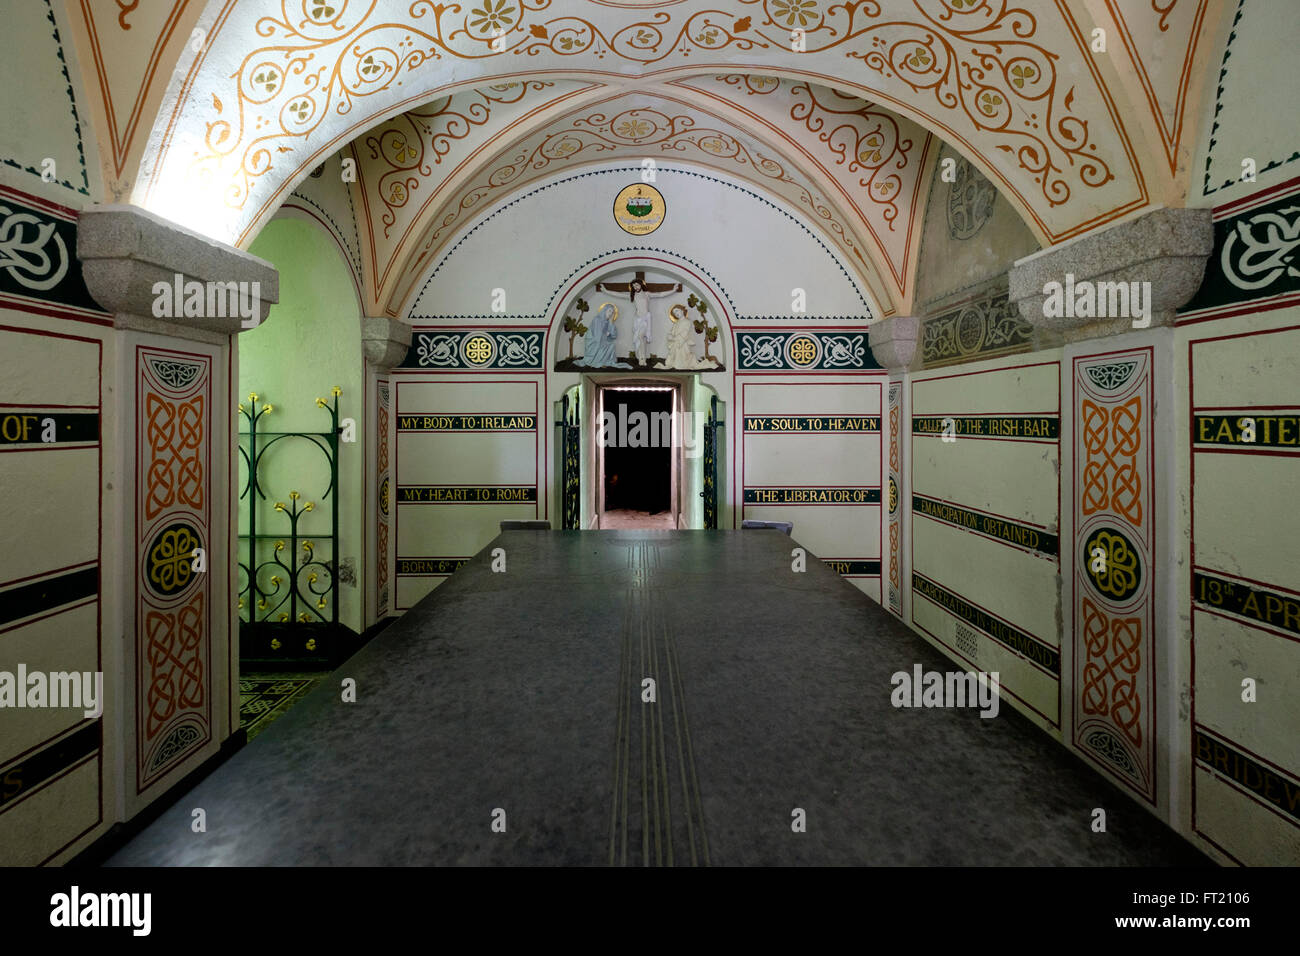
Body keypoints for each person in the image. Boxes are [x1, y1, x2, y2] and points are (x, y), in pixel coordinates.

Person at [574, 302, 631, 368]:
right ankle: (597, 361)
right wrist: (605, 335)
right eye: (609, 311)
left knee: (611, 345)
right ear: (604, 310)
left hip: (602, 342)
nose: (610, 314)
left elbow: (614, 335)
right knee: (609, 345)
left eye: (612, 312)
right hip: (594, 343)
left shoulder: (608, 322)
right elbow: (597, 335)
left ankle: (603, 361)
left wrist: (611, 322)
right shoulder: (597, 320)